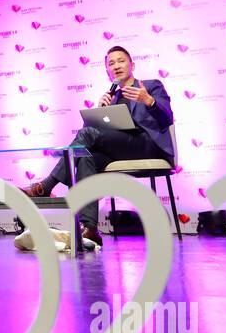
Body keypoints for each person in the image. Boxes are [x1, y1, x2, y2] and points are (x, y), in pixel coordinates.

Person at [24, 45, 174, 249]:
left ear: (132, 64)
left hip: (146, 145)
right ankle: (91, 229)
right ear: (107, 71)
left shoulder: (151, 85)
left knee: (85, 138)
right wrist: (101, 110)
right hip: (120, 149)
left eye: (121, 61)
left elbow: (167, 117)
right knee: (86, 156)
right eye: (111, 64)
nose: (116, 66)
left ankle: (46, 186)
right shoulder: (113, 96)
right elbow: (93, 136)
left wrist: (148, 100)